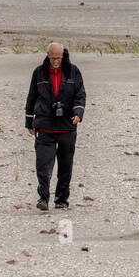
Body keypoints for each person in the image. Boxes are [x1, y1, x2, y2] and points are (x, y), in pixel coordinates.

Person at [25, 42, 86, 211]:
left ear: (63, 56)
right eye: (53, 58)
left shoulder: (73, 71)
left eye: (58, 58)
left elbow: (80, 95)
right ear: (47, 55)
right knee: (43, 165)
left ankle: (61, 200)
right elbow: (31, 97)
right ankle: (43, 198)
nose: (55, 61)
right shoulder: (39, 72)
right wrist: (29, 122)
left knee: (65, 166)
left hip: (67, 126)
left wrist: (78, 113)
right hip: (44, 126)